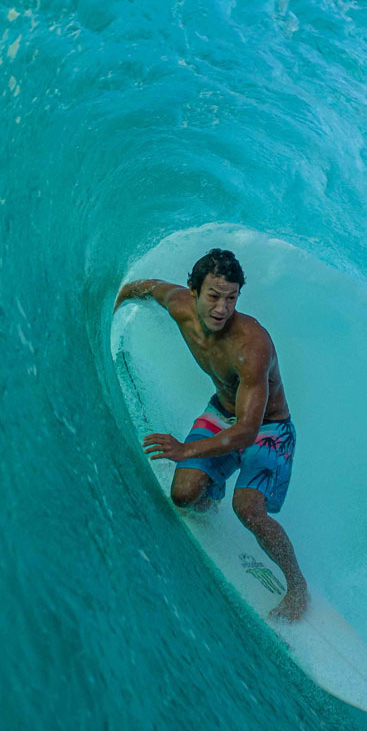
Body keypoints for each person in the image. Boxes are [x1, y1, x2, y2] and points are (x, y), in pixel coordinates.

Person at [113, 248, 309, 622]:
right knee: (184, 495)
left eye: (231, 298)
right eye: (214, 296)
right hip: (222, 412)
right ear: (193, 291)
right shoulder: (178, 305)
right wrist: (116, 302)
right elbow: (146, 287)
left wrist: (186, 450)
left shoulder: (252, 345)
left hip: (268, 429)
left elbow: (247, 430)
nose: (222, 308)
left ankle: (298, 587)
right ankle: (211, 499)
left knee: (247, 508)